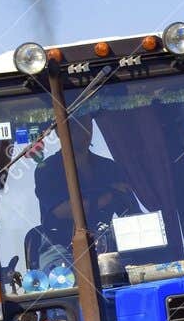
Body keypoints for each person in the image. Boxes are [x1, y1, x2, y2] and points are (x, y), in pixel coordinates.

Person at [25, 115, 148, 274]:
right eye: (73, 124)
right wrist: (107, 196)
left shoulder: (109, 167)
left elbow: (130, 210)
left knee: (143, 270)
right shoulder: (47, 169)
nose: (82, 129)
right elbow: (61, 210)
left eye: (85, 121)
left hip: (106, 243)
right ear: (58, 131)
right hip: (60, 247)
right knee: (66, 282)